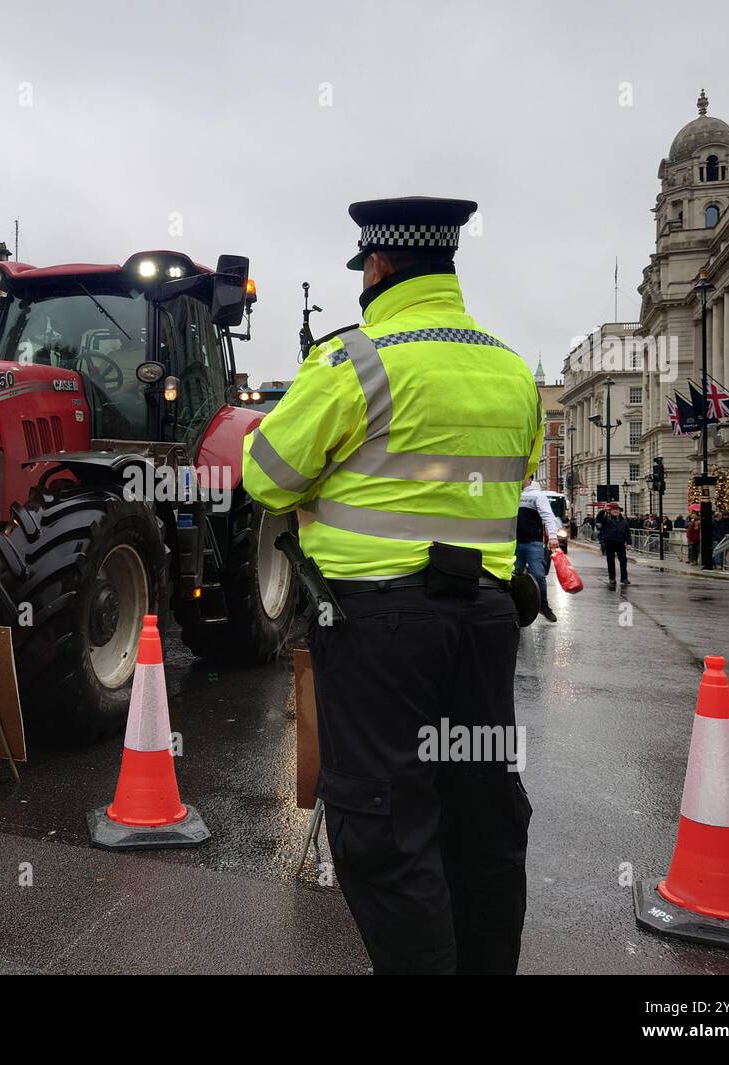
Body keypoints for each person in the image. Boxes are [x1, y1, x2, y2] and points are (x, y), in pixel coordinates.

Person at [243, 196, 541, 975]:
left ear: (376, 267)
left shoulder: (353, 360)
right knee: (482, 818)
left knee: (384, 823)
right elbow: (513, 483)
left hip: (380, 629)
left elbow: (265, 475)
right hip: (484, 623)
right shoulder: (512, 370)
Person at [515, 476, 562, 622]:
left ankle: (543, 605)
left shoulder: (537, 495)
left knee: (538, 575)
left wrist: (553, 537)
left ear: (529, 479)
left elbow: (548, 516)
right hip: (514, 542)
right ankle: (516, 608)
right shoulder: (512, 493)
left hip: (533, 542)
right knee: (514, 577)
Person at [599, 500, 631, 588]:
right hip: (609, 543)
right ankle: (612, 579)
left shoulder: (624, 521)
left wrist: (629, 543)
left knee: (623, 560)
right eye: (613, 510)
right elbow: (599, 518)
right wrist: (603, 510)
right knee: (611, 561)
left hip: (620, 543)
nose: (615, 511)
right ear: (610, 511)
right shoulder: (606, 519)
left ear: (620, 511)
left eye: (617, 510)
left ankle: (624, 578)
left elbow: (627, 533)